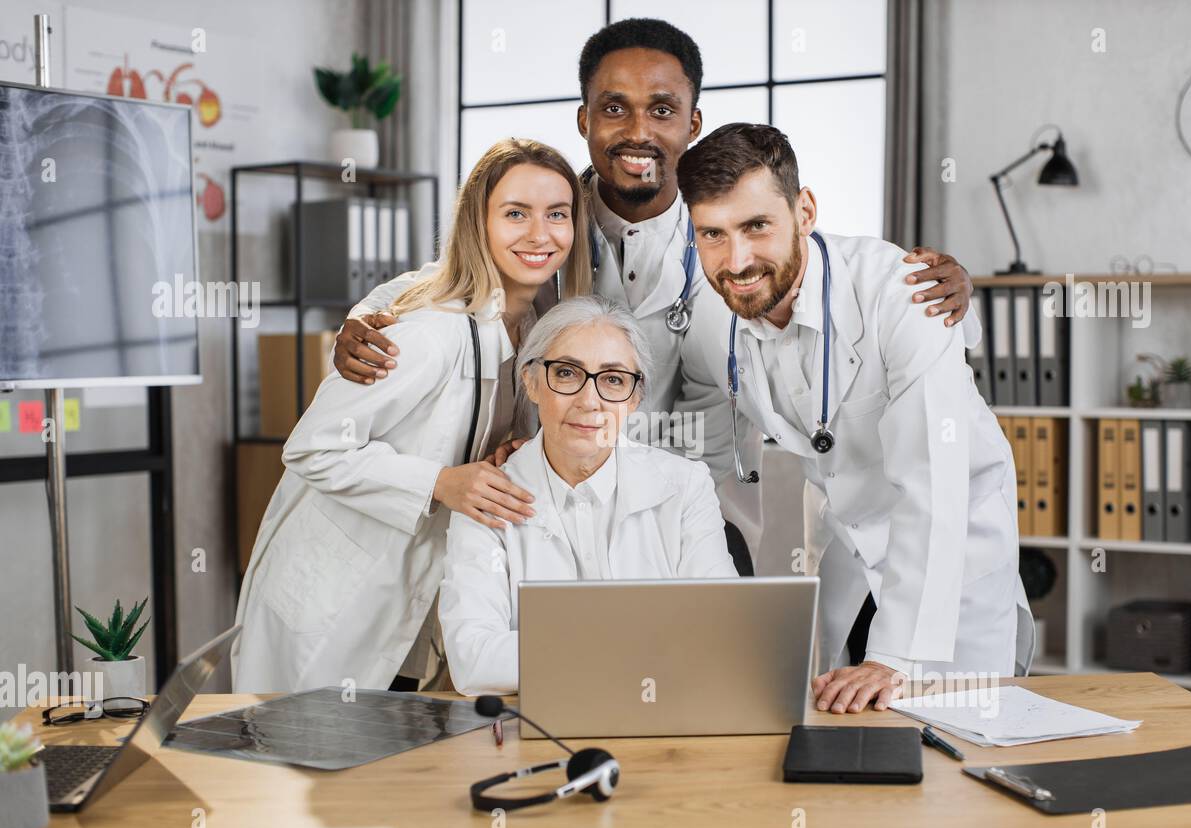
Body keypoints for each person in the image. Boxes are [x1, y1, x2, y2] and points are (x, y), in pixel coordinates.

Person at [328, 18, 979, 574]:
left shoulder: (738, 238)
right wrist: (360, 320)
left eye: (662, 109)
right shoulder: (543, 228)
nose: (638, 130)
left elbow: (835, 280)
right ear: (584, 120)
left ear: (692, 123)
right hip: (548, 516)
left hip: (704, 524)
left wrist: (945, 300)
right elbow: (453, 274)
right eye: (614, 108)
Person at [675, 123, 1035, 715]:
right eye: (712, 233)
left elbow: (933, 482)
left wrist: (893, 657)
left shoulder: (905, 294)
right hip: (844, 545)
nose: (735, 260)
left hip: (954, 551)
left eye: (756, 226)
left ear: (805, 209)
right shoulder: (715, 321)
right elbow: (680, 419)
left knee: (956, 742)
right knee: (834, 733)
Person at [230, 138, 590, 693]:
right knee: (298, 767)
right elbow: (313, 447)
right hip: (336, 603)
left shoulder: (542, 324)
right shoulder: (430, 332)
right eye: (515, 213)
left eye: (557, 214)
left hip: (413, 608)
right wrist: (442, 482)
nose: (540, 234)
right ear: (479, 222)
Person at [438, 296, 736, 695]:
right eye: (566, 373)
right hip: (534, 732)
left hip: (663, 718)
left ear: (634, 398)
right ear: (530, 381)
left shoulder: (685, 487)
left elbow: (724, 631)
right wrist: (645, 644)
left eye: (613, 379)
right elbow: (473, 661)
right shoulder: (486, 497)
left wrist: (562, 652)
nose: (589, 400)